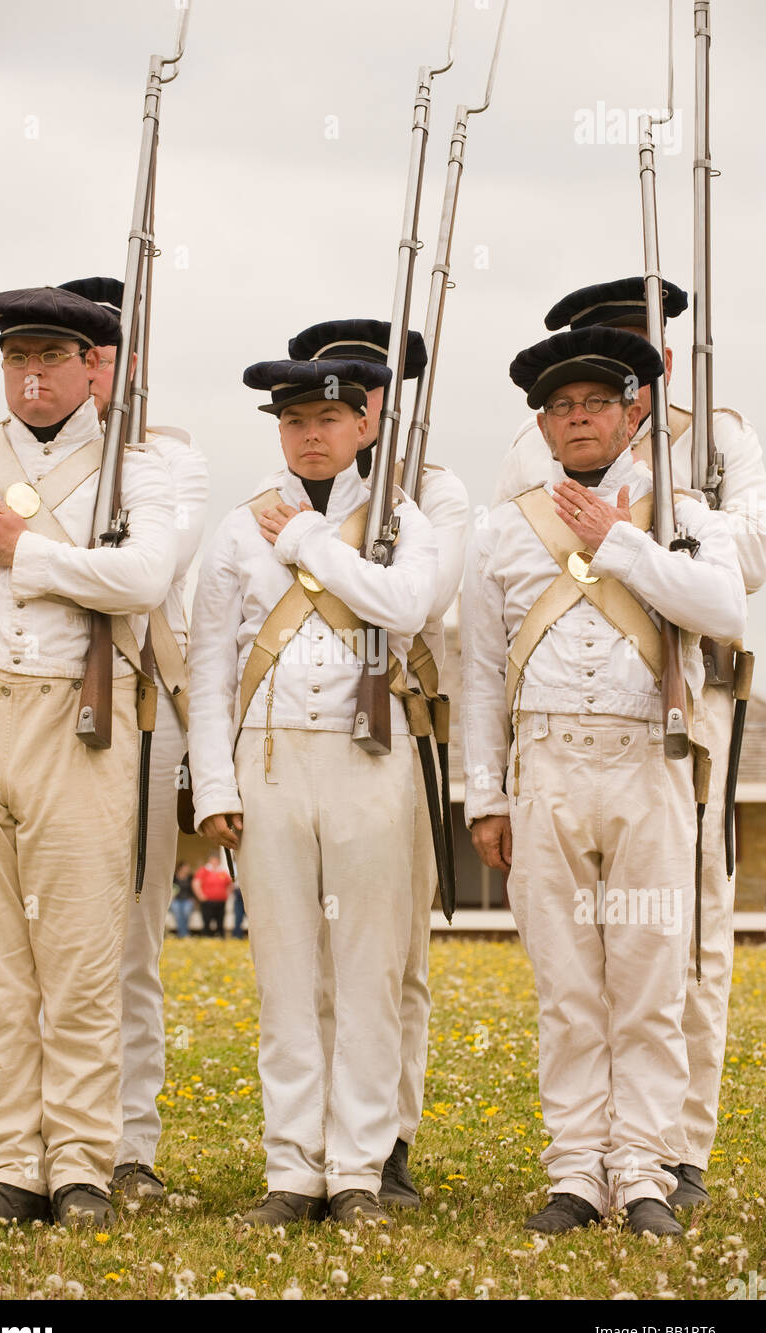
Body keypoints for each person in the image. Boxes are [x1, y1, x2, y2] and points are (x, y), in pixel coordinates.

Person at [0, 285, 175, 1230]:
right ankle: (10, 1163)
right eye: (16, 357)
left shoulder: (142, 466)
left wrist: (25, 551)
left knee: (82, 959)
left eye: (51, 358)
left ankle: (83, 1165)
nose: (30, 375)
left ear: (89, 366)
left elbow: (143, 579)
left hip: (79, 720)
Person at [462, 325, 746, 1238]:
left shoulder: (681, 514)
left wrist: (624, 545)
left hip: (647, 759)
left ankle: (646, 1169)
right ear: (540, 426)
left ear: (632, 414)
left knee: (651, 978)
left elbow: (725, 609)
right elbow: (476, 673)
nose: (576, 418)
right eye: (559, 407)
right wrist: (485, 796)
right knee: (569, 986)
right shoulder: (502, 529)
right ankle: (576, 1169)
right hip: (544, 764)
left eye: (594, 403)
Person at [187, 356, 437, 1226]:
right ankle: (293, 1170)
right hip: (266, 762)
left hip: (370, 757)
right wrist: (211, 781)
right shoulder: (233, 528)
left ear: (363, 425)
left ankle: (359, 1172)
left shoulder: (400, 516)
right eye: (293, 421)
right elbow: (209, 664)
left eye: (327, 420)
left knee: (369, 970)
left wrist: (303, 543)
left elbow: (406, 606)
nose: (310, 436)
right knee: (285, 975)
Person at [287, 319, 470, 1208]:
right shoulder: (295, 495)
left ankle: (388, 1135)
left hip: (402, 728)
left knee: (394, 958)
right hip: (305, 737)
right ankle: (317, 1139)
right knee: (308, 960)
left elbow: (422, 603)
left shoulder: (433, 493)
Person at [59, 276, 209, 1203]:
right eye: (81, 354)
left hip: (144, 708)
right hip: (35, 710)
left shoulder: (171, 457)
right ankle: (54, 1143)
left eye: (107, 352)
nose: (96, 370)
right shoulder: (15, 462)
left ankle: (127, 1148)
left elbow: (148, 576)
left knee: (130, 942)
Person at [192, 853, 231, 938]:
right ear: (210, 860)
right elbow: (196, 883)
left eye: (217, 860)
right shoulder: (204, 870)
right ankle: (207, 936)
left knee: (220, 921)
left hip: (220, 901)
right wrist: (200, 895)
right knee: (207, 920)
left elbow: (229, 884)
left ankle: (220, 936)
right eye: (213, 860)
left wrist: (227, 895)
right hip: (207, 901)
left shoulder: (222, 871)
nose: (215, 862)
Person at [172, 862, 196, 939]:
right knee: (178, 913)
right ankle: (182, 933)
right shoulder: (174, 877)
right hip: (176, 900)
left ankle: (184, 933)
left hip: (187, 900)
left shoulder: (191, 878)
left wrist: (193, 898)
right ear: (180, 868)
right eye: (185, 867)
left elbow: (193, 889)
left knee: (186, 912)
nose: (187, 869)